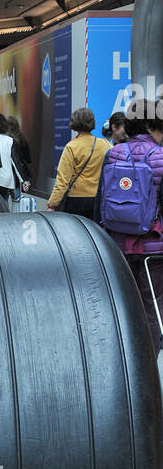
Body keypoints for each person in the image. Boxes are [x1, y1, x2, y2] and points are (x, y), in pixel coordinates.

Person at [96, 101, 163, 351]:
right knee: (152, 306)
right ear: (152, 126)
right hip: (152, 248)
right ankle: (149, 363)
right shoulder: (159, 156)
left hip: (118, 244)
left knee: (123, 303)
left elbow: (101, 200)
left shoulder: (114, 153)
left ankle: (126, 357)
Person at [47, 108, 109, 217]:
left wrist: (52, 203)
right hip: (98, 199)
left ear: (74, 123)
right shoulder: (105, 145)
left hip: (75, 200)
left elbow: (62, 181)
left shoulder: (71, 147)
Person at [5, 116, 33, 191]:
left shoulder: (4, 139)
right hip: (19, 174)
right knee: (17, 195)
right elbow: (28, 159)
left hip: (5, 174)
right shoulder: (23, 139)